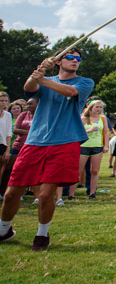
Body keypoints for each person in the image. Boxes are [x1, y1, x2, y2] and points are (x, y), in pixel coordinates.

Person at [0, 49, 94, 251]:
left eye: (78, 58)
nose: (75, 61)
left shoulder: (85, 82)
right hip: (35, 141)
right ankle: (4, 230)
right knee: (12, 192)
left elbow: (69, 92)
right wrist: (38, 73)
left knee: (45, 194)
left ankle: (42, 234)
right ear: (58, 61)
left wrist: (41, 78)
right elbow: (28, 88)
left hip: (65, 142)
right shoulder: (46, 80)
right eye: (71, 57)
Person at [69, 99, 108, 199]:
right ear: (91, 108)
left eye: (100, 107)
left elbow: (105, 132)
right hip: (84, 146)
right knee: (79, 171)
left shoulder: (103, 118)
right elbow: (76, 132)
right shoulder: (83, 119)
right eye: (97, 107)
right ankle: (71, 194)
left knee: (94, 171)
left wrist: (106, 145)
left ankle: (92, 193)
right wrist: (89, 130)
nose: (98, 109)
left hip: (97, 146)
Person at [3, 98, 37, 199]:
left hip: (34, 146)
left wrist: (25, 132)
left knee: (30, 170)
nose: (28, 106)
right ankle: (5, 191)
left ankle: (28, 193)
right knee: (10, 169)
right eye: (28, 104)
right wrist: (30, 132)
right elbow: (15, 130)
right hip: (18, 145)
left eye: (31, 104)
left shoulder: (41, 115)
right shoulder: (23, 115)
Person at [0, 93, 12, 199]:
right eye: (1, 100)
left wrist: (7, 150)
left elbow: (9, 133)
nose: (3, 103)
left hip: (2, 144)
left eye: (5, 101)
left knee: (1, 171)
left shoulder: (8, 115)